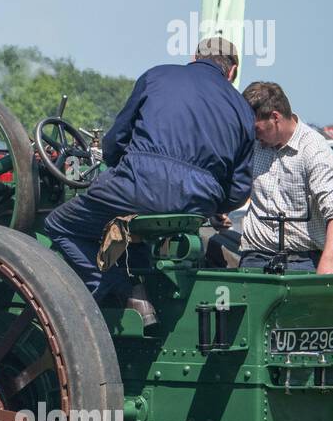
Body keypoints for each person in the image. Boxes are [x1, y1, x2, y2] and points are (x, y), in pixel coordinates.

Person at [43, 37, 255, 322]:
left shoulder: (157, 75)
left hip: (139, 186)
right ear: (232, 72)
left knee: (58, 224)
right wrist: (212, 203)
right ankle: (143, 292)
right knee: (140, 231)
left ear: (194, 57)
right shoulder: (242, 109)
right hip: (195, 207)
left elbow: (114, 143)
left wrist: (124, 174)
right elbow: (239, 191)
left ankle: (116, 287)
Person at [237, 82, 333, 273]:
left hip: (302, 261)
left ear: (275, 117)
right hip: (254, 258)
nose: (253, 135)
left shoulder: (314, 149)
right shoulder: (251, 144)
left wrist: (329, 262)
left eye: (257, 129)